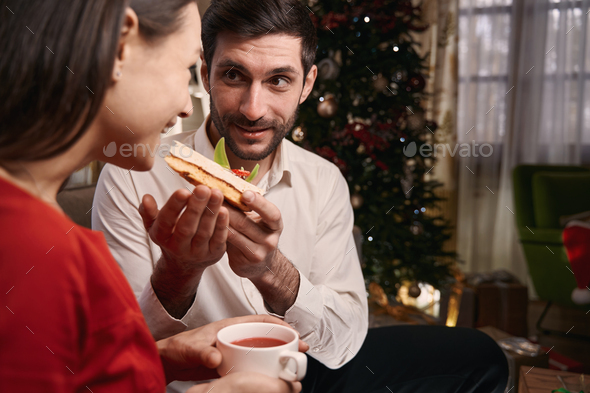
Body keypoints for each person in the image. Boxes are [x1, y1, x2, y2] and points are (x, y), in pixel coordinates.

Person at [92, 0, 509, 392]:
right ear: (205, 74)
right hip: (200, 384)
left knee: (480, 355)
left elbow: (344, 342)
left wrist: (274, 272)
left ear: (307, 84)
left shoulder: (323, 180)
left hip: (302, 372)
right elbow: (121, 355)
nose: (254, 109)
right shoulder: (133, 174)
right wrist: (178, 272)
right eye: (233, 75)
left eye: (278, 80)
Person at [0, 1, 304, 392]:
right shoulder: (42, 255)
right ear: (122, 44)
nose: (185, 105)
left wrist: (154, 359)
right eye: (188, 67)